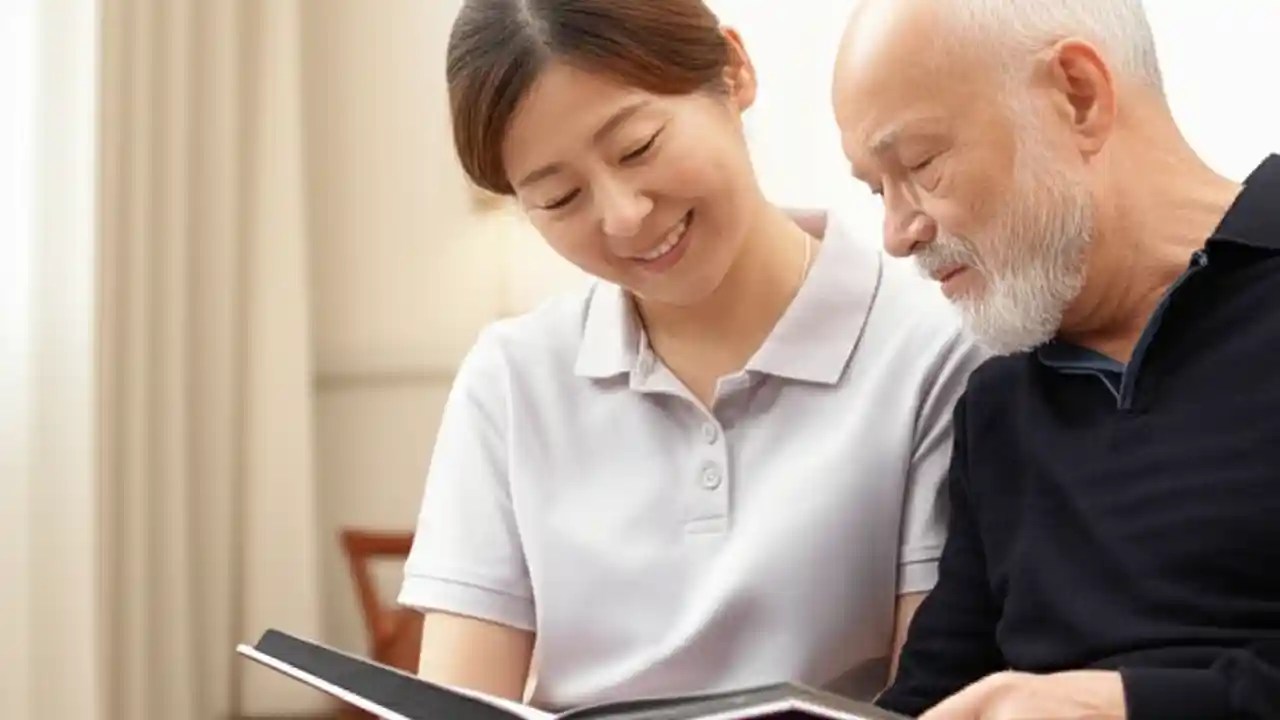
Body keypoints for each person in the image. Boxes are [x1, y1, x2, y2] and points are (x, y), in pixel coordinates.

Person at [396, 0, 987, 712]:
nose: (623, 216)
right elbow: (457, 704)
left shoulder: (935, 355)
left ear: (734, 72)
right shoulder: (512, 380)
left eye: (637, 147)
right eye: (559, 198)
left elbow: (934, 699)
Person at [831, 0, 1280, 718]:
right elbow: (928, 698)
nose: (897, 232)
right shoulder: (999, 406)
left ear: (1078, 96)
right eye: (876, 189)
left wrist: (1126, 707)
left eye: (919, 164)